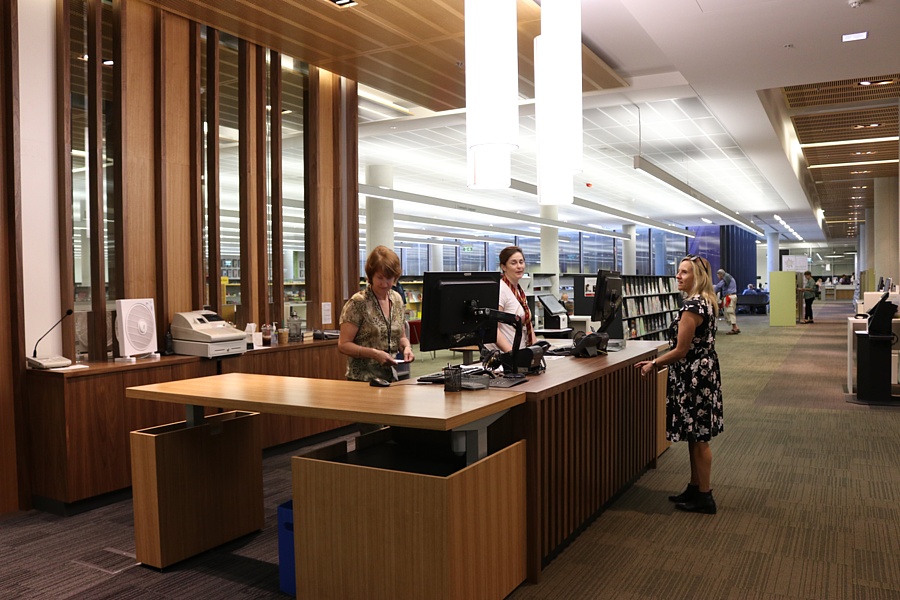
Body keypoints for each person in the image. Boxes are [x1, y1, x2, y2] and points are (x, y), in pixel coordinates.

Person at [635, 254, 723, 514]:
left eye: (684, 272)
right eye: (679, 271)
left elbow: (681, 350)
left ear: (697, 276)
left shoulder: (693, 307)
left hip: (694, 378)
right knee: (695, 435)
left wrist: (654, 363)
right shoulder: (707, 301)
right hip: (703, 373)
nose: (678, 276)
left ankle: (705, 496)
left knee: (700, 437)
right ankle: (696, 487)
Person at [338, 246, 415, 382]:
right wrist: (374, 354)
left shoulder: (397, 299)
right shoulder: (358, 303)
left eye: (389, 278)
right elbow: (343, 344)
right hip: (362, 381)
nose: (385, 284)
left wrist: (407, 348)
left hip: (390, 380)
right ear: (370, 276)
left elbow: (401, 336)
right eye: (380, 278)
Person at [494, 246, 537, 352]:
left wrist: (536, 350)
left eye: (521, 262)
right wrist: (512, 355)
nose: (519, 266)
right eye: (513, 263)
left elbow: (528, 324)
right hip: (505, 355)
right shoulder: (501, 289)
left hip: (520, 350)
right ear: (503, 267)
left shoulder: (519, 291)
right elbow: (494, 329)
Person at [714, 268, 739, 334]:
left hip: (729, 297)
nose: (718, 278)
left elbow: (718, 286)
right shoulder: (729, 277)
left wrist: (712, 292)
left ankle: (735, 328)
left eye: (718, 276)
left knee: (729, 312)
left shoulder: (726, 278)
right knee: (731, 312)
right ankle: (735, 327)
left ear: (720, 274)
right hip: (733, 296)